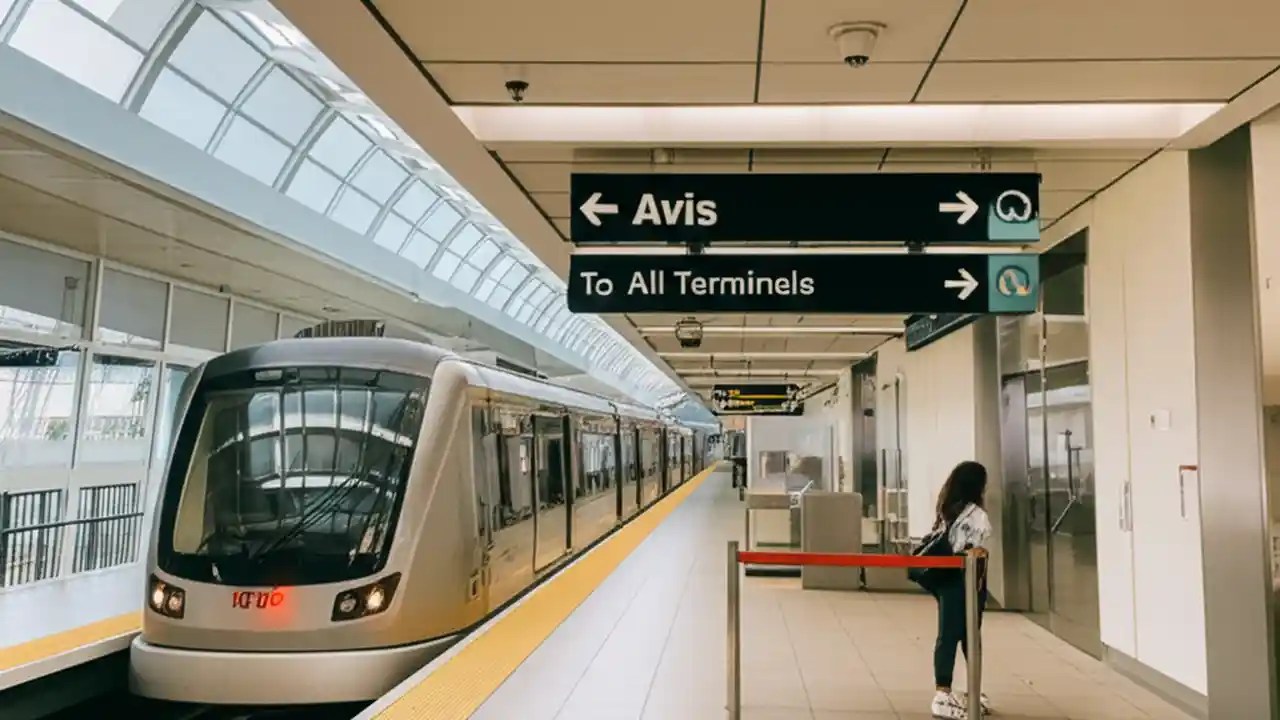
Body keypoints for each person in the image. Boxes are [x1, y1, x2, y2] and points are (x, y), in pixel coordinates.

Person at [929, 461, 993, 719]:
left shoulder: (947, 508)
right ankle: (946, 693)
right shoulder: (976, 515)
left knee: (949, 633)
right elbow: (975, 547)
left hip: (945, 579)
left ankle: (948, 690)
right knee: (968, 635)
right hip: (966, 580)